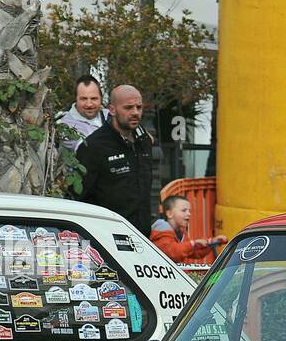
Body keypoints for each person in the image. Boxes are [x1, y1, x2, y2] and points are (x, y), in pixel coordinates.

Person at [74, 84, 153, 234]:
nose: (135, 112)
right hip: (108, 235)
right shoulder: (93, 146)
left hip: (142, 235)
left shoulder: (144, 141)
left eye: (139, 107)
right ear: (112, 110)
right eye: (128, 108)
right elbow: (79, 197)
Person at [151, 195, 226, 264]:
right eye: (184, 210)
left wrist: (211, 243)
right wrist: (193, 244)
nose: (188, 214)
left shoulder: (181, 232)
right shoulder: (161, 231)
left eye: (189, 211)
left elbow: (194, 253)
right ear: (169, 214)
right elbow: (173, 252)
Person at [55, 75, 107, 152]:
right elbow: (89, 151)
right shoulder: (64, 124)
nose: (89, 104)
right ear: (76, 99)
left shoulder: (110, 115)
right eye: (83, 99)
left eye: (94, 98)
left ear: (101, 98)